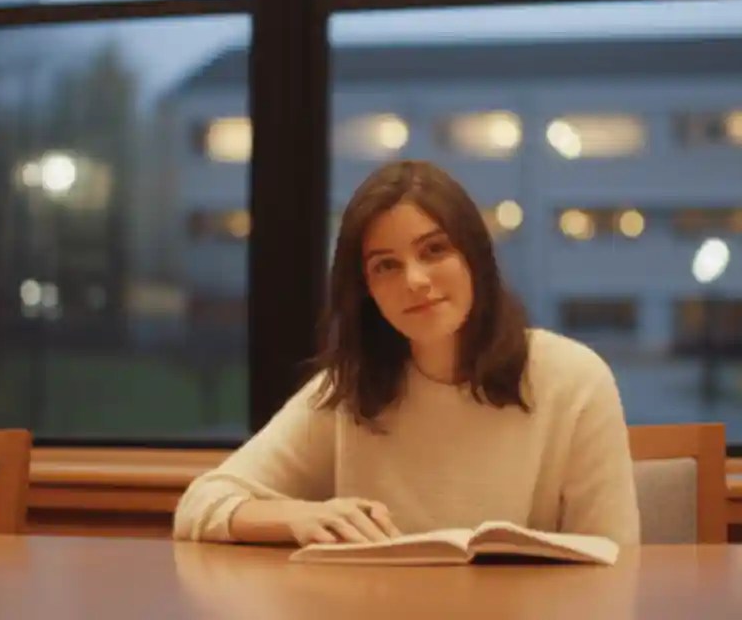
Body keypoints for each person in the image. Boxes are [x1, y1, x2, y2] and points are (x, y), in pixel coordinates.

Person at [173, 160, 640, 546]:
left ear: (475, 256)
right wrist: (296, 515)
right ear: (367, 291)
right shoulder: (350, 390)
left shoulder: (574, 380)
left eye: (434, 250)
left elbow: (615, 559)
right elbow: (201, 504)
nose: (414, 280)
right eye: (386, 266)